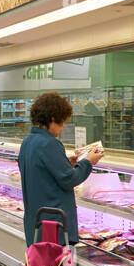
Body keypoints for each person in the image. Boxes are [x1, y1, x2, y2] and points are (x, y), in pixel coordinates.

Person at [17, 91, 104, 249]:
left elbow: (43, 173)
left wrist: (65, 163)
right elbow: (69, 179)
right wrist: (88, 161)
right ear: (52, 119)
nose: (64, 126)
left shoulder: (28, 142)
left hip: (36, 222)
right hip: (53, 225)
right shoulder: (49, 143)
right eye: (62, 121)